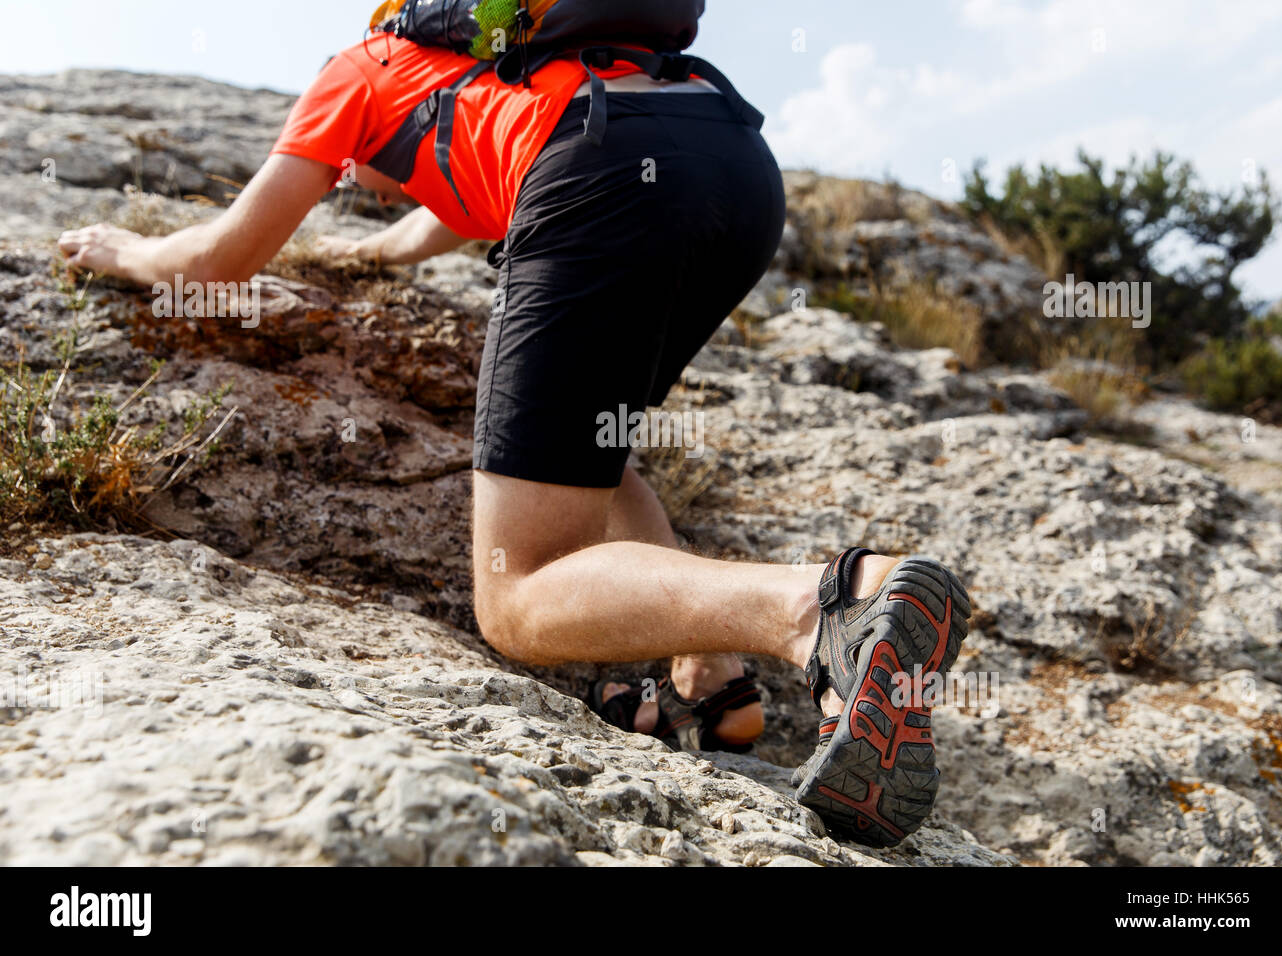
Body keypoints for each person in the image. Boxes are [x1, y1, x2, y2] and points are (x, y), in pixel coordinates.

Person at [57, 26, 969, 846]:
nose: (354, 191)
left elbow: (224, 256)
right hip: (729, 160)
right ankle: (715, 686)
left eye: (351, 180)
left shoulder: (359, 68)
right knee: (586, 457)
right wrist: (363, 256)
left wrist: (128, 251)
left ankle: (829, 609)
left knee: (519, 594)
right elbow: (429, 224)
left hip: (600, 176)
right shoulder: (503, 74)